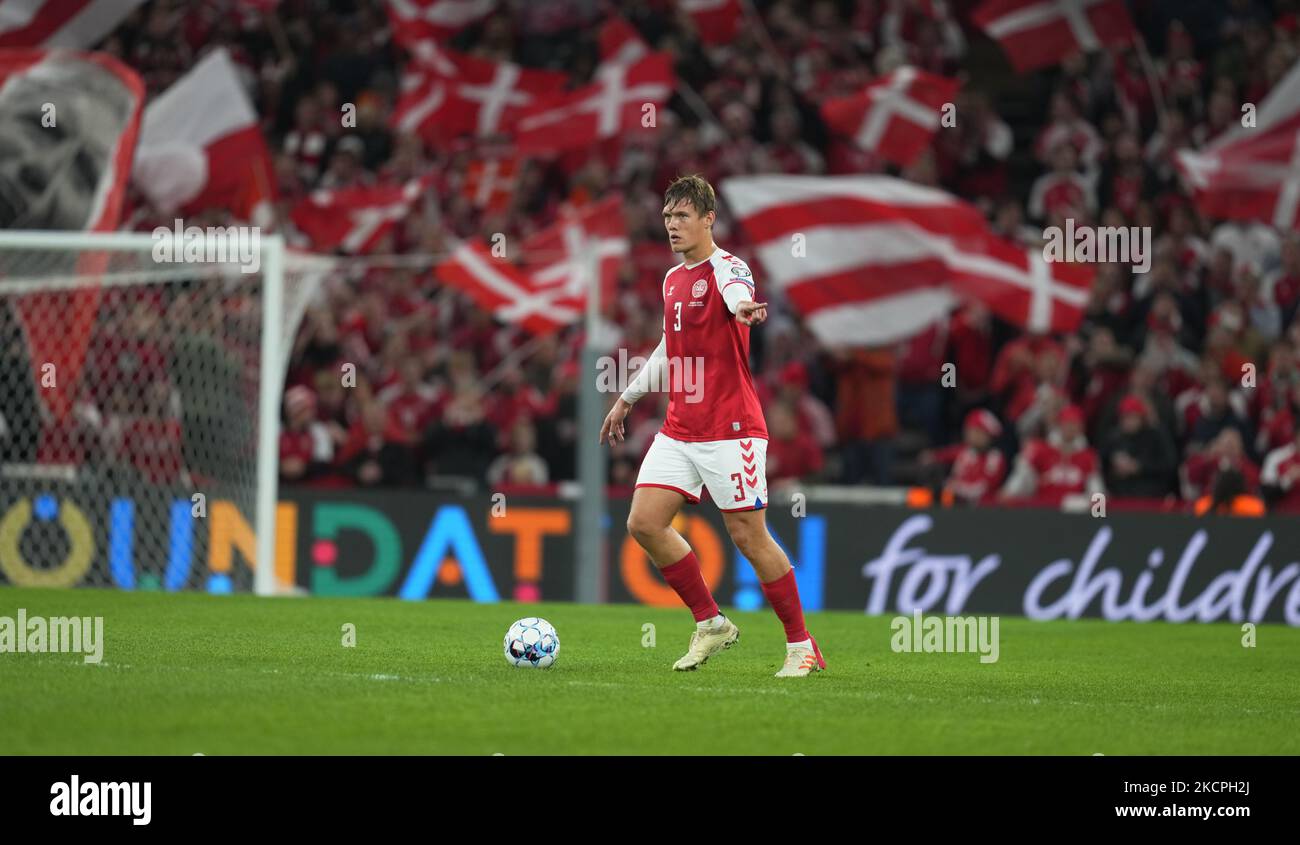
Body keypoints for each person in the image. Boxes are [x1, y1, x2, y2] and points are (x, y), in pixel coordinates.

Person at [598, 175, 826, 678]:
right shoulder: (671, 279)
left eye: (681, 216)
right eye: (666, 217)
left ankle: (801, 646)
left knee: (747, 535)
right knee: (644, 522)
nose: (672, 225)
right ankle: (711, 622)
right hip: (680, 427)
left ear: (707, 219)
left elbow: (735, 293)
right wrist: (627, 398)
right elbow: (668, 349)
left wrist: (744, 308)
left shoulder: (729, 268)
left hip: (732, 427)